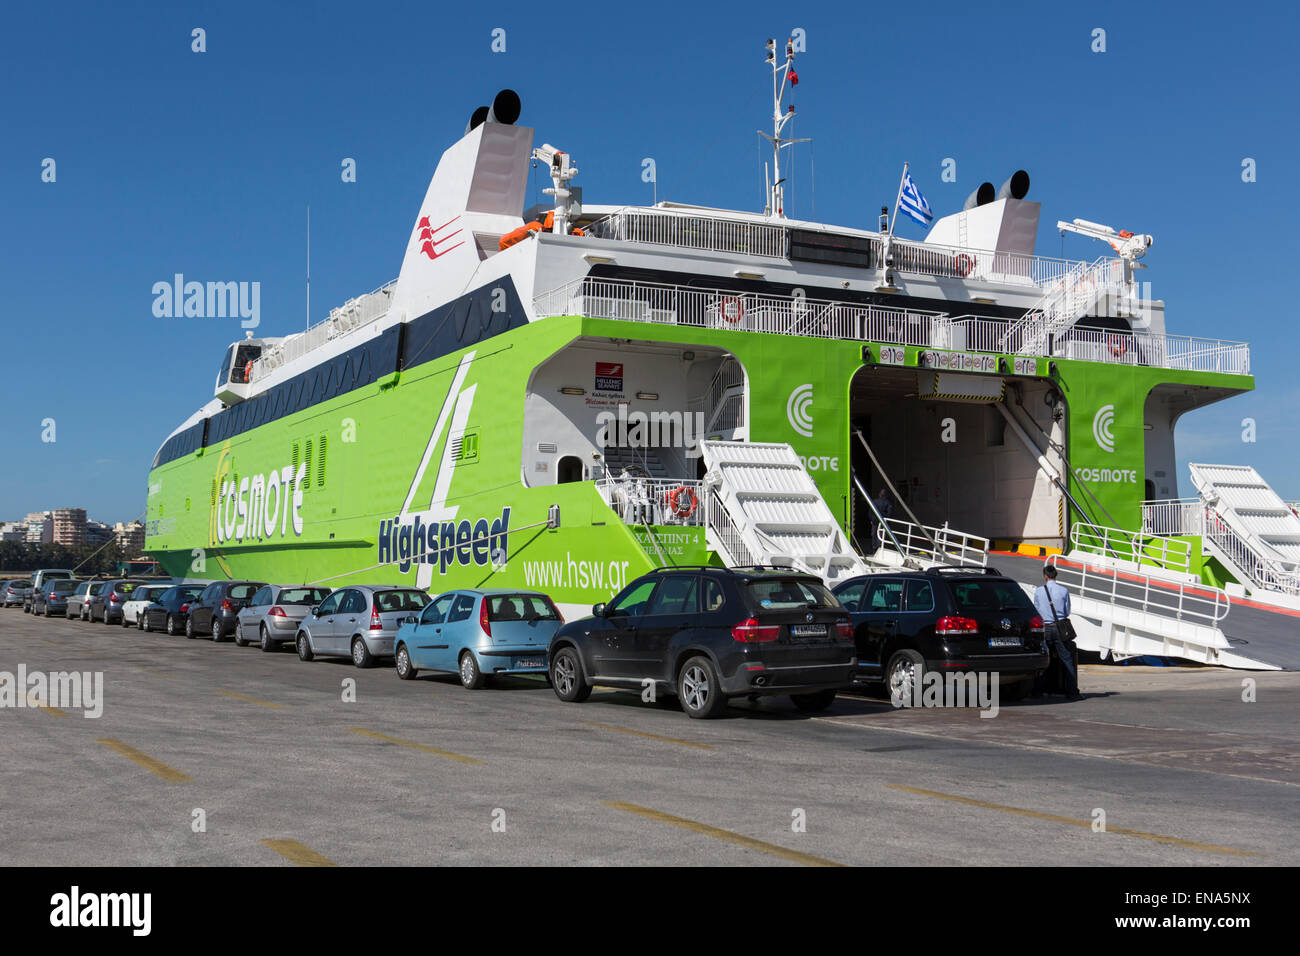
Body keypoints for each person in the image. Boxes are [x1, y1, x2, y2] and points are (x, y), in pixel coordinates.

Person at [1033, 565, 1081, 700]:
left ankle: (1038, 691)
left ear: (1045, 576)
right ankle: (1072, 692)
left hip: (1045, 628)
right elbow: (1067, 612)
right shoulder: (1064, 591)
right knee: (1067, 659)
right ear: (1056, 575)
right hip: (1060, 629)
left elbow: (1036, 610)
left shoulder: (1039, 591)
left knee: (1043, 660)